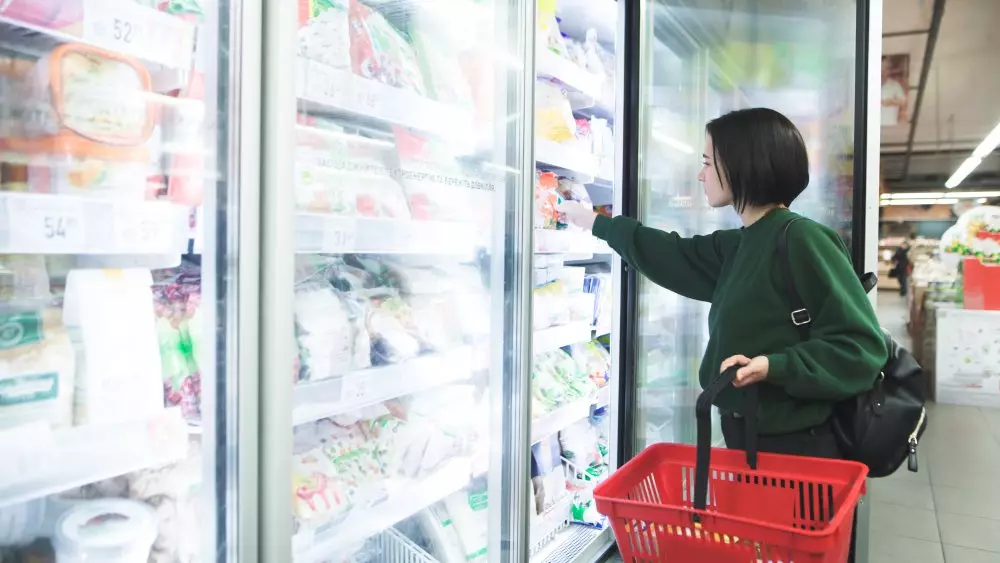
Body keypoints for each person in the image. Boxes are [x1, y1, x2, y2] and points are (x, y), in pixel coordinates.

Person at [560, 108, 885, 560]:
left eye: (709, 161)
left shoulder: (803, 240)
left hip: (797, 453)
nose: (700, 174)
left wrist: (776, 366)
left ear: (744, 163)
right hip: (751, 447)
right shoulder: (741, 243)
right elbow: (672, 254)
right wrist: (596, 223)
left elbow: (862, 347)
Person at [881, 56, 908, 126]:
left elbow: (903, 102)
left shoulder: (895, 85)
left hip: (890, 124)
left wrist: (892, 102)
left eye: (887, 68)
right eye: (882, 67)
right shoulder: (868, 83)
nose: (884, 70)